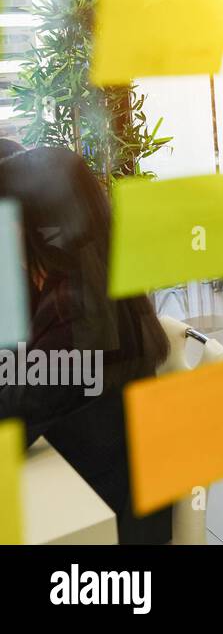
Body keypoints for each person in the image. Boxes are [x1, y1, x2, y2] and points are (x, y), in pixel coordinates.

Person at [0, 146, 171, 543]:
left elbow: (15, 412)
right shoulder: (95, 276)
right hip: (107, 482)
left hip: (99, 512)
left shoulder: (76, 315)